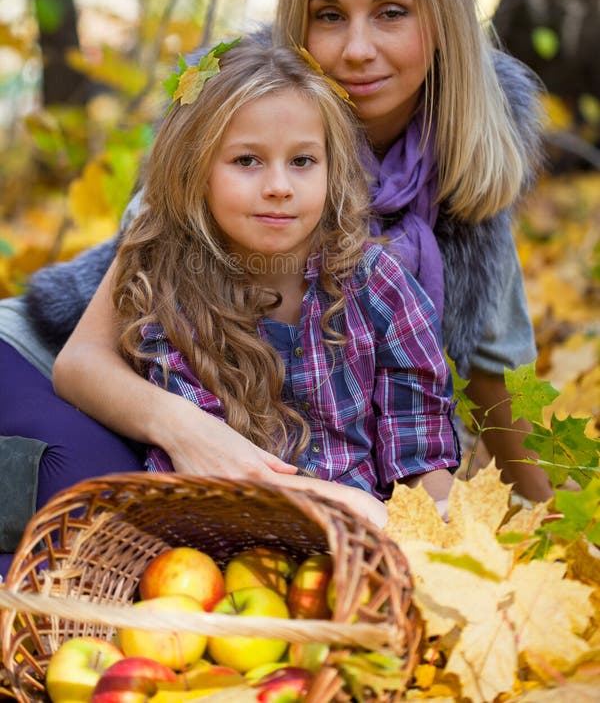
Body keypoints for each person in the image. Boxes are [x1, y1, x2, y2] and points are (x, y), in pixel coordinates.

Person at [0, 0, 547, 572]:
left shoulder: (469, 167)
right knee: (106, 530)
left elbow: (497, 374)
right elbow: (90, 356)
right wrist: (190, 431)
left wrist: (543, 540)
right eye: (328, 16)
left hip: (249, 456)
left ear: (442, 23)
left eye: (391, 13)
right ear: (299, 23)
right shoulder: (237, 120)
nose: (356, 49)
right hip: (79, 367)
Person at [112, 37, 460, 527]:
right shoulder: (174, 294)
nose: (279, 186)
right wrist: (345, 505)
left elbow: (420, 449)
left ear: (330, 168)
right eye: (247, 160)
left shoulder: (379, 286)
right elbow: (206, 471)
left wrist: (435, 523)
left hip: (367, 549)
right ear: (196, 172)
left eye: (301, 161)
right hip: (224, 539)